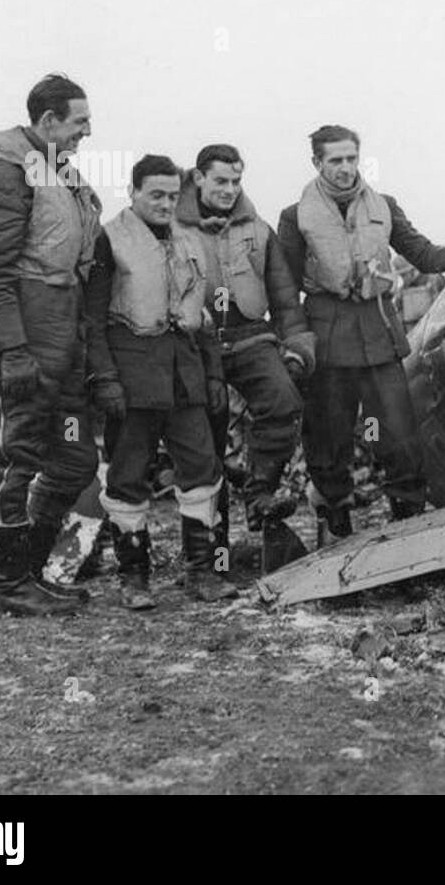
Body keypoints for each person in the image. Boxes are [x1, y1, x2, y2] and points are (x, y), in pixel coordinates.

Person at [277, 125, 445, 544]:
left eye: (352, 158)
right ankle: (335, 530)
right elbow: (284, 286)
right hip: (328, 340)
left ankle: (408, 527)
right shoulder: (295, 218)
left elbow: (420, 251)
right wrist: (295, 340)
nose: (346, 168)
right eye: (335, 160)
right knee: (328, 437)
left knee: (398, 433)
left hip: (378, 335)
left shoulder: (383, 206)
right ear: (317, 163)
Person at [0, 74, 100, 616]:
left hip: (62, 349)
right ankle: (9, 584)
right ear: (47, 122)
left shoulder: (63, 179)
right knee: (11, 460)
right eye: (79, 122)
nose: (88, 132)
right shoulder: (3, 177)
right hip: (18, 346)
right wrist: (13, 351)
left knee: (73, 460)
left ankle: (32, 571)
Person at [84, 155, 226, 608]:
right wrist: (105, 379)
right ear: (134, 193)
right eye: (155, 195)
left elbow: (201, 319)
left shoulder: (189, 241)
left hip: (184, 373)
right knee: (127, 474)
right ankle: (134, 579)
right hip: (133, 375)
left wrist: (214, 373)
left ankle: (201, 572)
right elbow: (93, 318)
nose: (166, 203)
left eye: (172, 195)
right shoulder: (110, 240)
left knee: (202, 467)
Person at [177, 143, 316, 574]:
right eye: (220, 181)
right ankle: (210, 562)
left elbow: (285, 298)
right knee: (206, 448)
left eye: (236, 181)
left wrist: (297, 348)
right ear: (198, 178)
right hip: (199, 345)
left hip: (251, 336)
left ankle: (259, 494)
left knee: (283, 401)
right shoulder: (173, 230)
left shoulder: (259, 230)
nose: (229, 189)